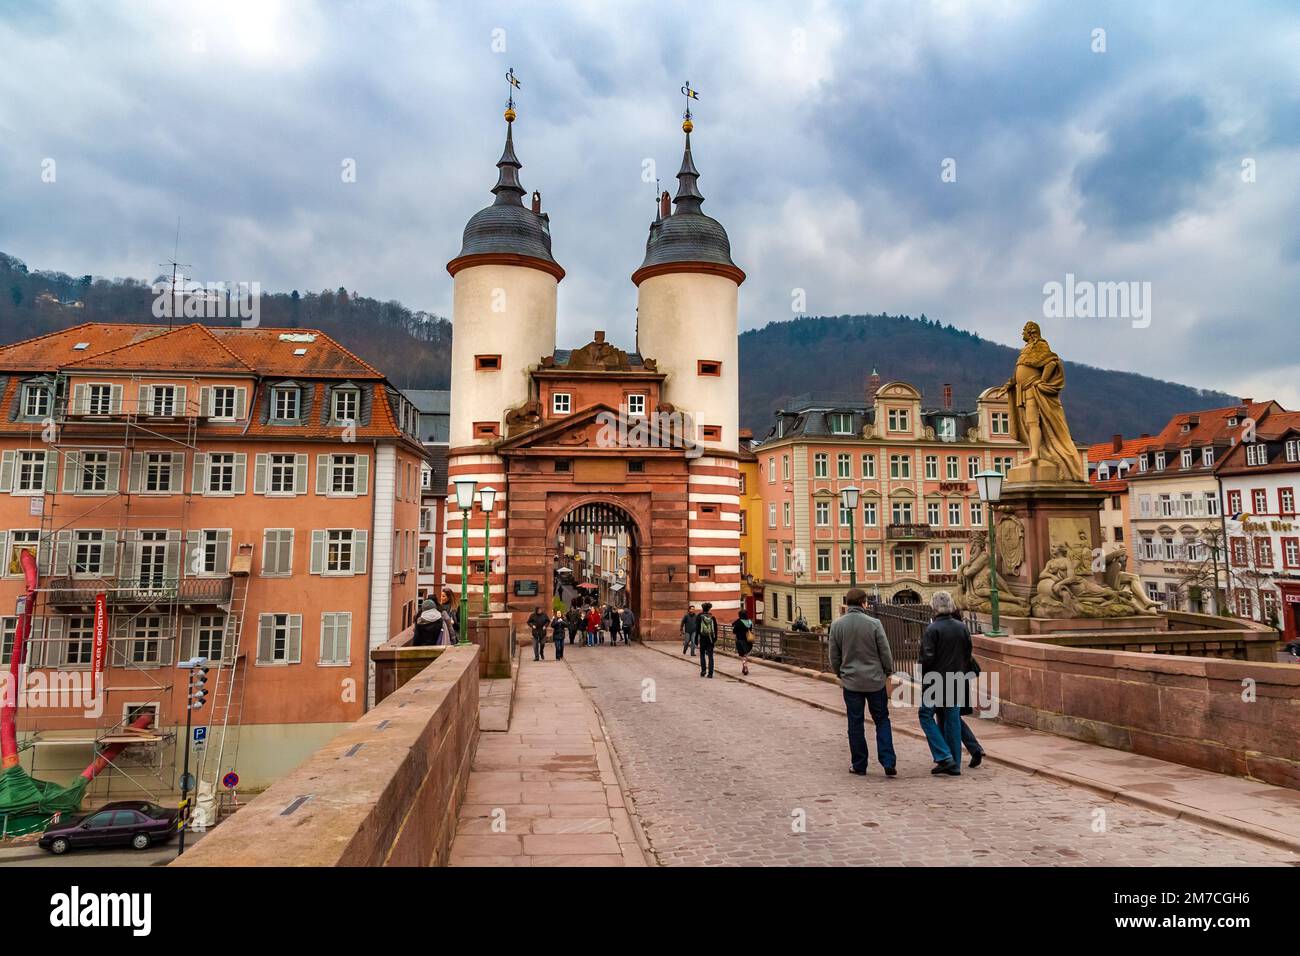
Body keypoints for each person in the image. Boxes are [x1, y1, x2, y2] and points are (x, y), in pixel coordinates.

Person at [828, 588, 897, 777]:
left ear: (847, 603)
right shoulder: (874, 623)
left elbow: (833, 655)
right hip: (875, 681)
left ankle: (859, 764)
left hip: (851, 683)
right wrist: (887, 671)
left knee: (855, 723)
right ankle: (888, 761)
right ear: (864, 603)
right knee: (882, 720)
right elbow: (885, 651)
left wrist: (840, 673)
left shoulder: (837, 625)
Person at [918, 591, 974, 776]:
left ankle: (944, 755)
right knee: (952, 719)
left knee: (925, 715)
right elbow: (967, 654)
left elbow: (927, 659)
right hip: (957, 678)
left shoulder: (932, 630)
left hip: (936, 680)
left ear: (934, 607)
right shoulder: (962, 627)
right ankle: (955, 764)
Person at [696, 602, 717, 678]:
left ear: (702, 608)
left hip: (702, 638)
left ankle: (703, 670)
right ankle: (710, 673)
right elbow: (715, 629)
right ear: (709, 609)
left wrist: (696, 640)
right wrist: (714, 639)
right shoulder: (712, 617)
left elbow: (697, 628)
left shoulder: (699, 616)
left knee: (702, 655)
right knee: (710, 656)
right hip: (710, 638)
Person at [732, 608, 754, 675]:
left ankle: (745, 667)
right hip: (748, 640)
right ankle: (744, 667)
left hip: (740, 640)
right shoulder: (749, 622)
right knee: (745, 654)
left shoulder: (738, 622)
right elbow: (750, 629)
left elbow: (734, 631)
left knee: (743, 655)